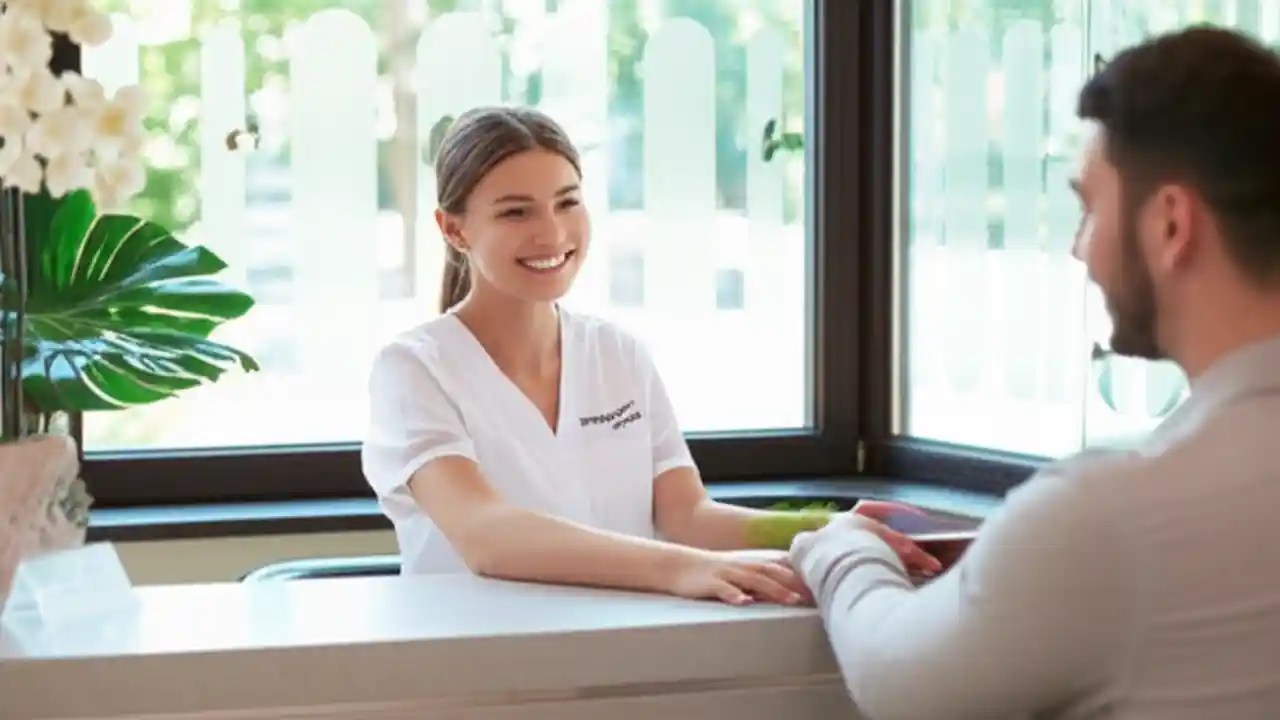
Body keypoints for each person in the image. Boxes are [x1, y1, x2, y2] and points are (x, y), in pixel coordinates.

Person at [790, 26, 1280, 718]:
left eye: (1089, 208)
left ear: (1171, 225)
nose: (1080, 249)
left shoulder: (1112, 518)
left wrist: (841, 548)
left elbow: (896, 679)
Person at [361, 106, 938, 607]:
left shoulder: (618, 355)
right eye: (516, 212)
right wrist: (682, 569)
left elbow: (686, 517)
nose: (552, 233)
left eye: (567, 202)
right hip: (471, 661)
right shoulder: (414, 369)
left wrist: (823, 527)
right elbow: (486, 535)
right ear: (454, 230)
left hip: (626, 646)